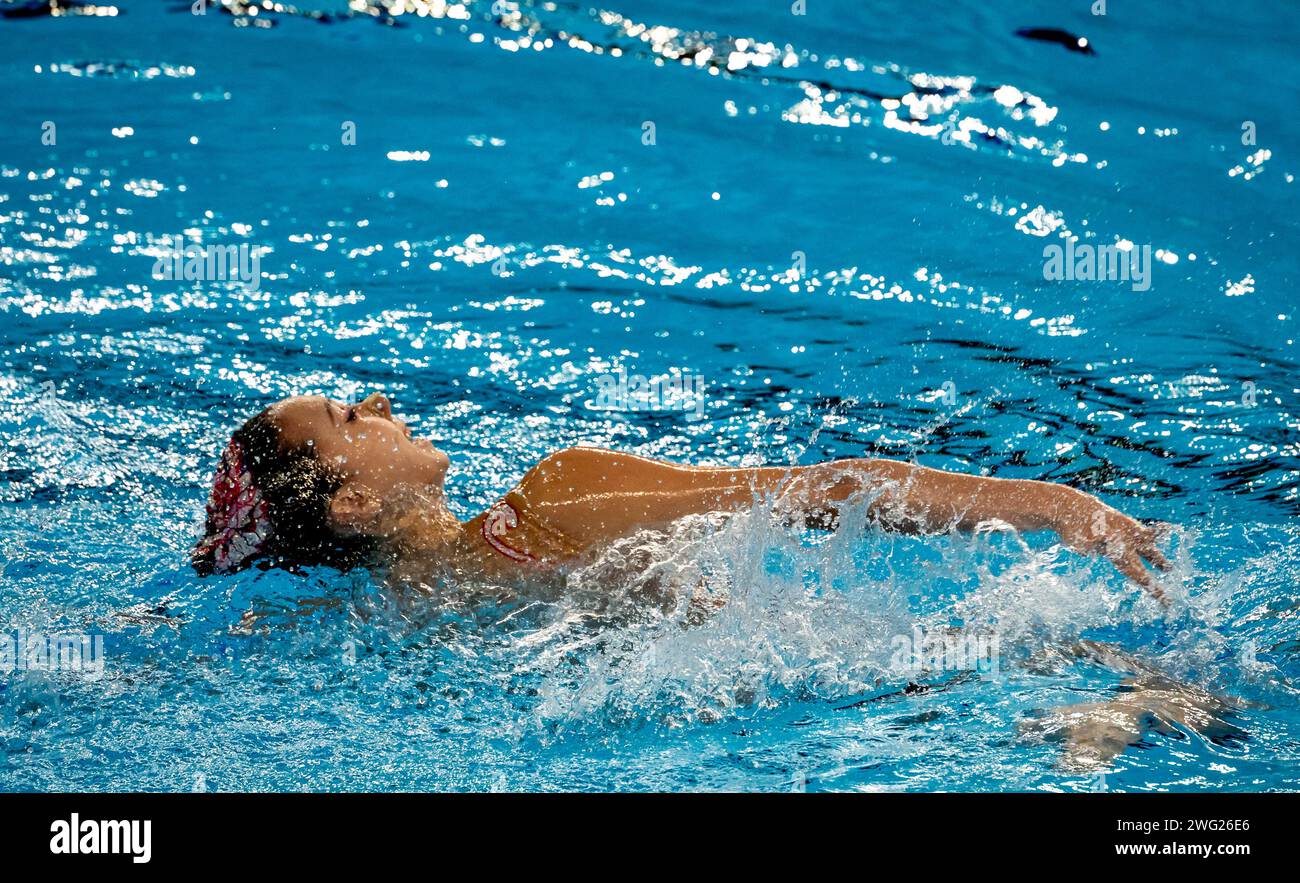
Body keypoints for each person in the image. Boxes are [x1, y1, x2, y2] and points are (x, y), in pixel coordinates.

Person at [192, 392, 1171, 604]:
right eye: (348, 419)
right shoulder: (552, 498)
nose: (379, 402)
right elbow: (829, 491)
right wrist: (1046, 501)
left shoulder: (383, 607)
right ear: (354, 504)